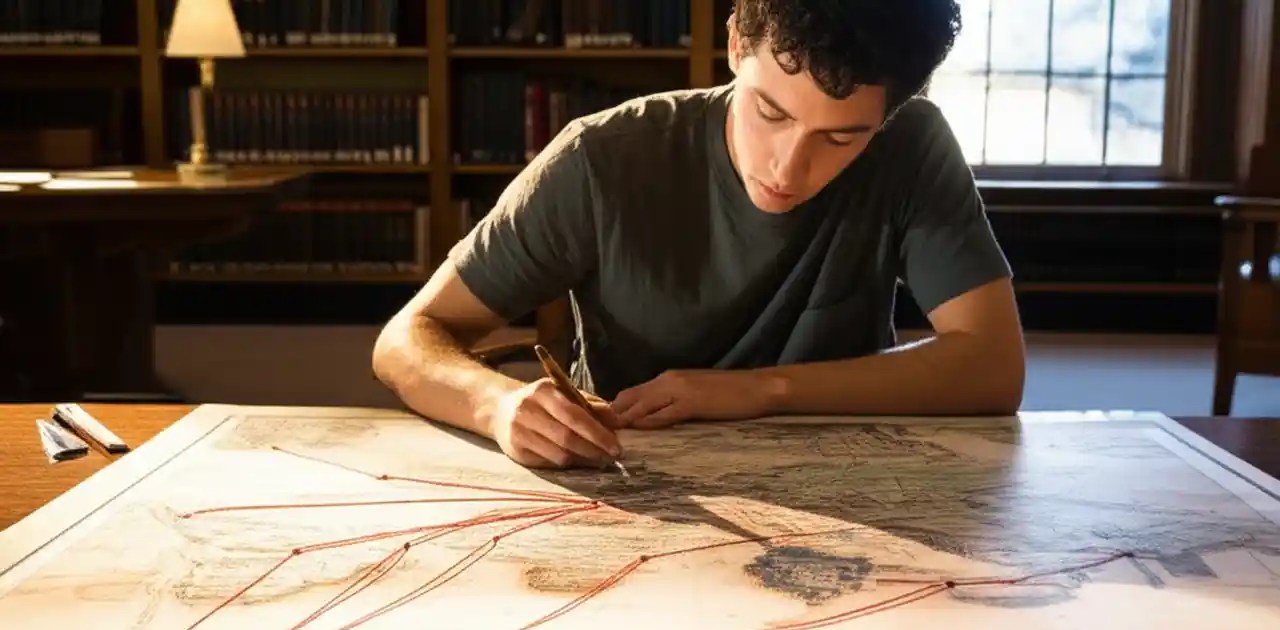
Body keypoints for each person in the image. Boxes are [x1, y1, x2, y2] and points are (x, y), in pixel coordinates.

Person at [372, 0, 1026, 470]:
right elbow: (407, 340)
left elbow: (994, 366)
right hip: (630, 485)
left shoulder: (913, 146)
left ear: (891, 114)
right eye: (771, 111)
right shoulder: (604, 159)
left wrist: (758, 392)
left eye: (840, 137)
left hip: (844, 485)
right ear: (737, 40)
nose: (786, 168)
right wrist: (497, 404)